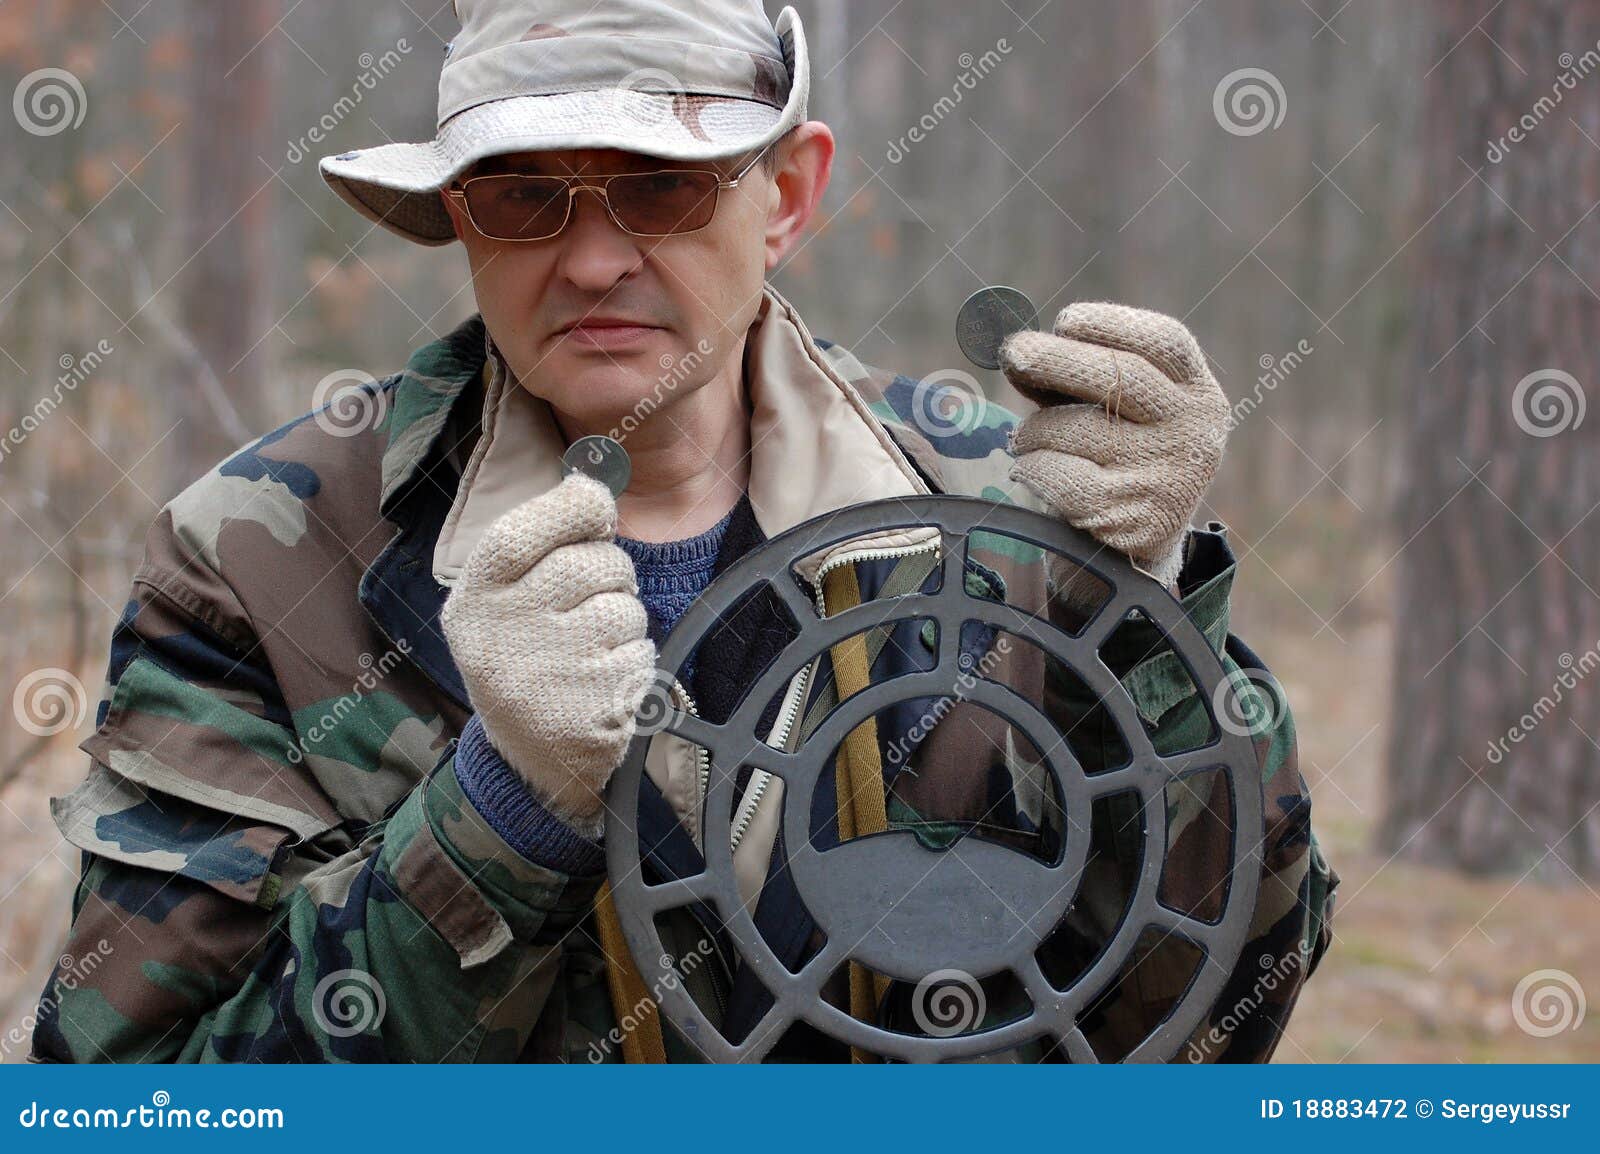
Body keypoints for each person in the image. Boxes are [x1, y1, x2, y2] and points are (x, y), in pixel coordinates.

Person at [31, 0, 1337, 1063]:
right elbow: (143, 1096)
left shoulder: (1001, 514)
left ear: (787, 194)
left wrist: (1141, 617)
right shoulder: (267, 558)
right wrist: (500, 812)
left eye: (658, 186)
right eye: (524, 194)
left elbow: (1210, 1025)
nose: (594, 259)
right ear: (460, 220)